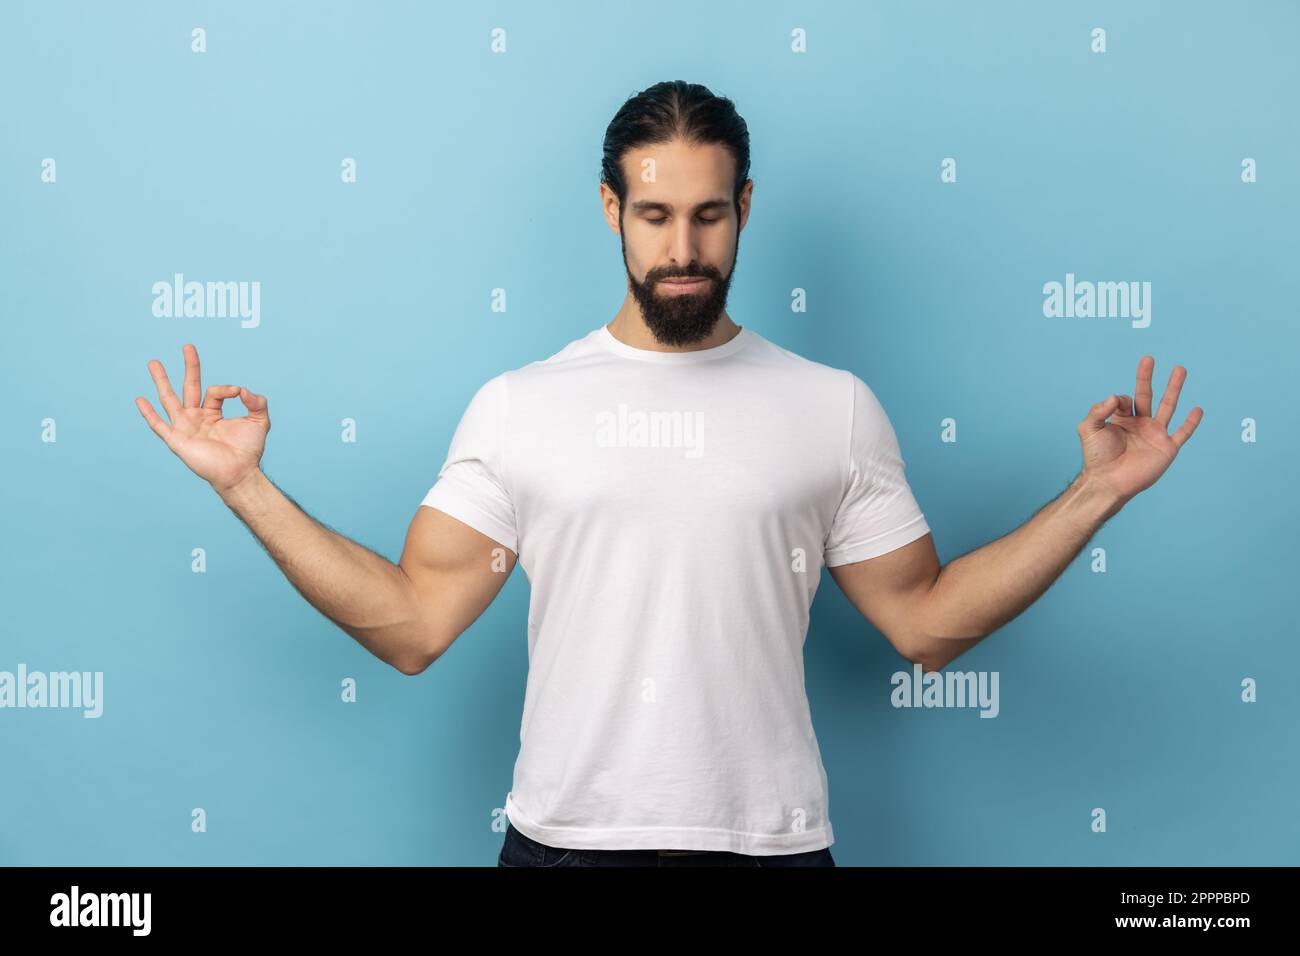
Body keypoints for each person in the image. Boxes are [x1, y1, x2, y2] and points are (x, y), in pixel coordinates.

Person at [134, 81, 1202, 868]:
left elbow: (925, 622)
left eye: (707, 213)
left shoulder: (829, 406)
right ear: (611, 211)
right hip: (564, 847)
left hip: (772, 849)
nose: (682, 247)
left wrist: (1095, 492)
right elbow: (413, 624)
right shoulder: (521, 405)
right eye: (653, 215)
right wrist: (246, 487)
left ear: (745, 206)